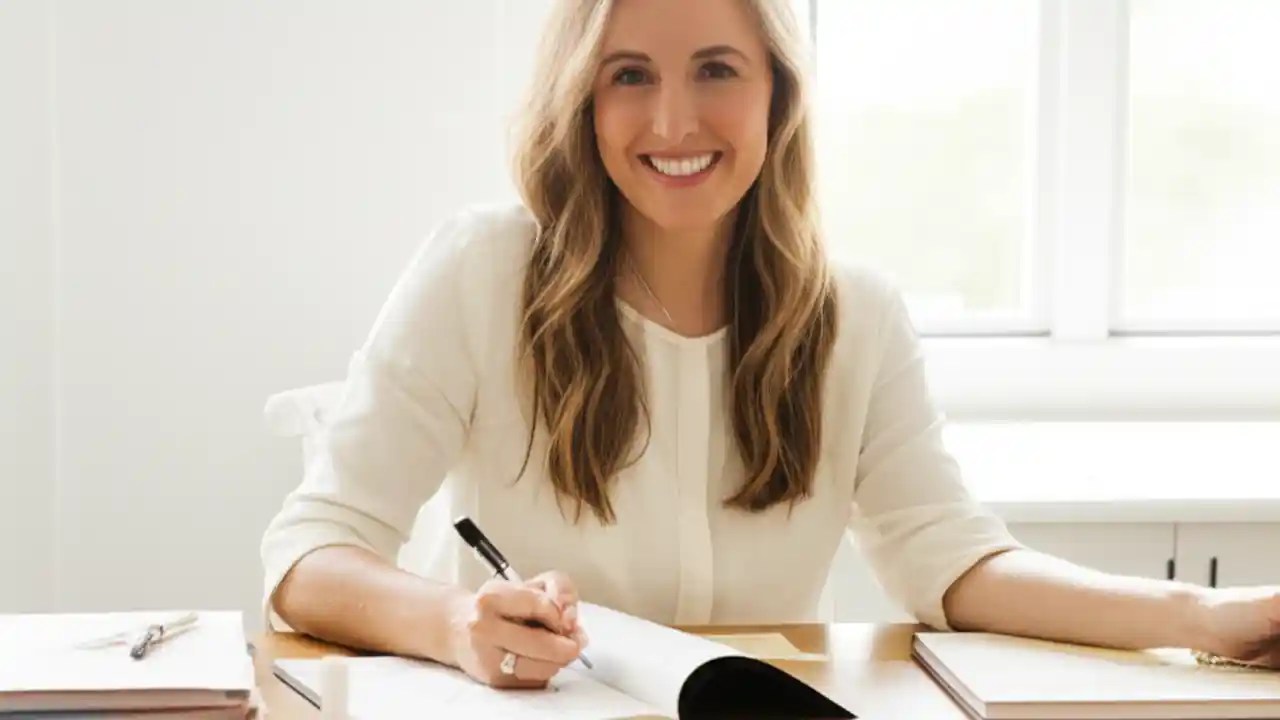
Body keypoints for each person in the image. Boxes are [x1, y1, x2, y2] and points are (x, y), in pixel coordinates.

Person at [260, 0, 1280, 690]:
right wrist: (455, 623)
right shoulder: (480, 269)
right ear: (581, 96)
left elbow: (953, 564)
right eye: (628, 75)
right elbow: (307, 553)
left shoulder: (853, 316)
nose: (672, 119)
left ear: (776, 94)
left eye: (716, 69)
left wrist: (1199, 617)